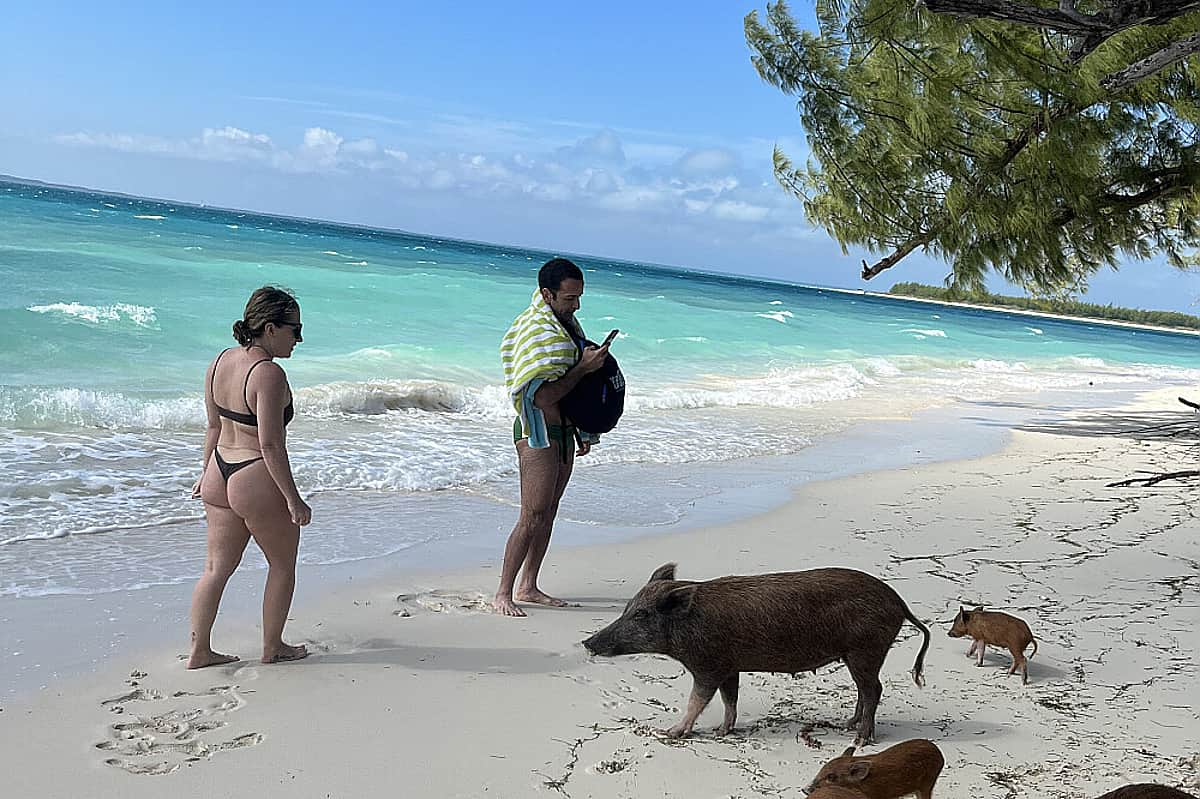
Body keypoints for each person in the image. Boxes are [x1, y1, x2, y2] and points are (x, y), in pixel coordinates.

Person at [187, 285, 312, 667]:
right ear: (270, 328)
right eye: (295, 328)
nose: (299, 338)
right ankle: (273, 646)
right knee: (282, 564)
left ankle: (200, 650)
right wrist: (294, 499)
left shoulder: (219, 362)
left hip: (218, 472)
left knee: (214, 568)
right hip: (254, 475)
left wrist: (203, 471)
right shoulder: (269, 374)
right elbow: (271, 444)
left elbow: (213, 426)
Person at [494, 258, 609, 616]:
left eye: (579, 298)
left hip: (563, 429)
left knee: (550, 513)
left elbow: (571, 389)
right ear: (547, 294)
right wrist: (583, 368)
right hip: (536, 431)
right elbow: (542, 395)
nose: (576, 305)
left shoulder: (566, 326)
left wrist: (583, 428)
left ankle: (529, 585)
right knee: (532, 514)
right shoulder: (537, 329)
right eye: (569, 298)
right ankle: (502, 593)